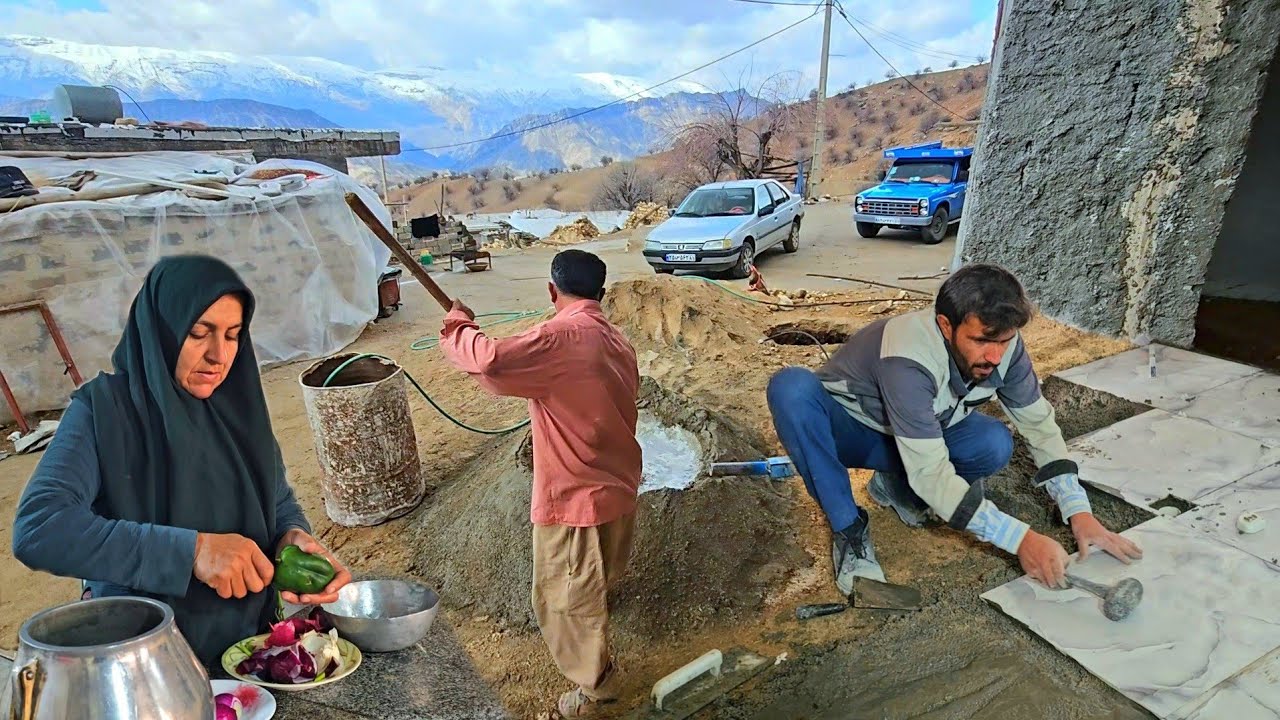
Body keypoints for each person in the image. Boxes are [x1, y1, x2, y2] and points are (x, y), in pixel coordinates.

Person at [12, 255, 351, 666]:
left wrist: (292, 537)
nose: (218, 355)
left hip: (248, 652)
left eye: (232, 335)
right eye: (198, 333)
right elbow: (40, 528)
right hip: (144, 659)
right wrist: (191, 552)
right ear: (161, 330)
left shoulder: (239, 412)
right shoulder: (104, 411)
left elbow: (276, 502)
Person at [766, 263, 1143, 594]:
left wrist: (1079, 511)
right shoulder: (908, 354)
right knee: (792, 389)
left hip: (920, 430)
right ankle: (849, 530)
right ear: (946, 326)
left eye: (1004, 341)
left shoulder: (1003, 347)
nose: (995, 356)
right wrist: (1020, 539)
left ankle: (894, 486)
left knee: (993, 442)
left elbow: (1039, 425)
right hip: (855, 432)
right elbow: (931, 472)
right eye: (981, 341)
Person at [438, 249, 641, 718]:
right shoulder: (616, 339)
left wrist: (457, 327)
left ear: (553, 292)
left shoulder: (561, 336)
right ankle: (600, 672)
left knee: (566, 601)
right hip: (619, 483)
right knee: (593, 586)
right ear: (601, 293)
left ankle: (597, 696)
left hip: (575, 497)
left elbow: (488, 362)